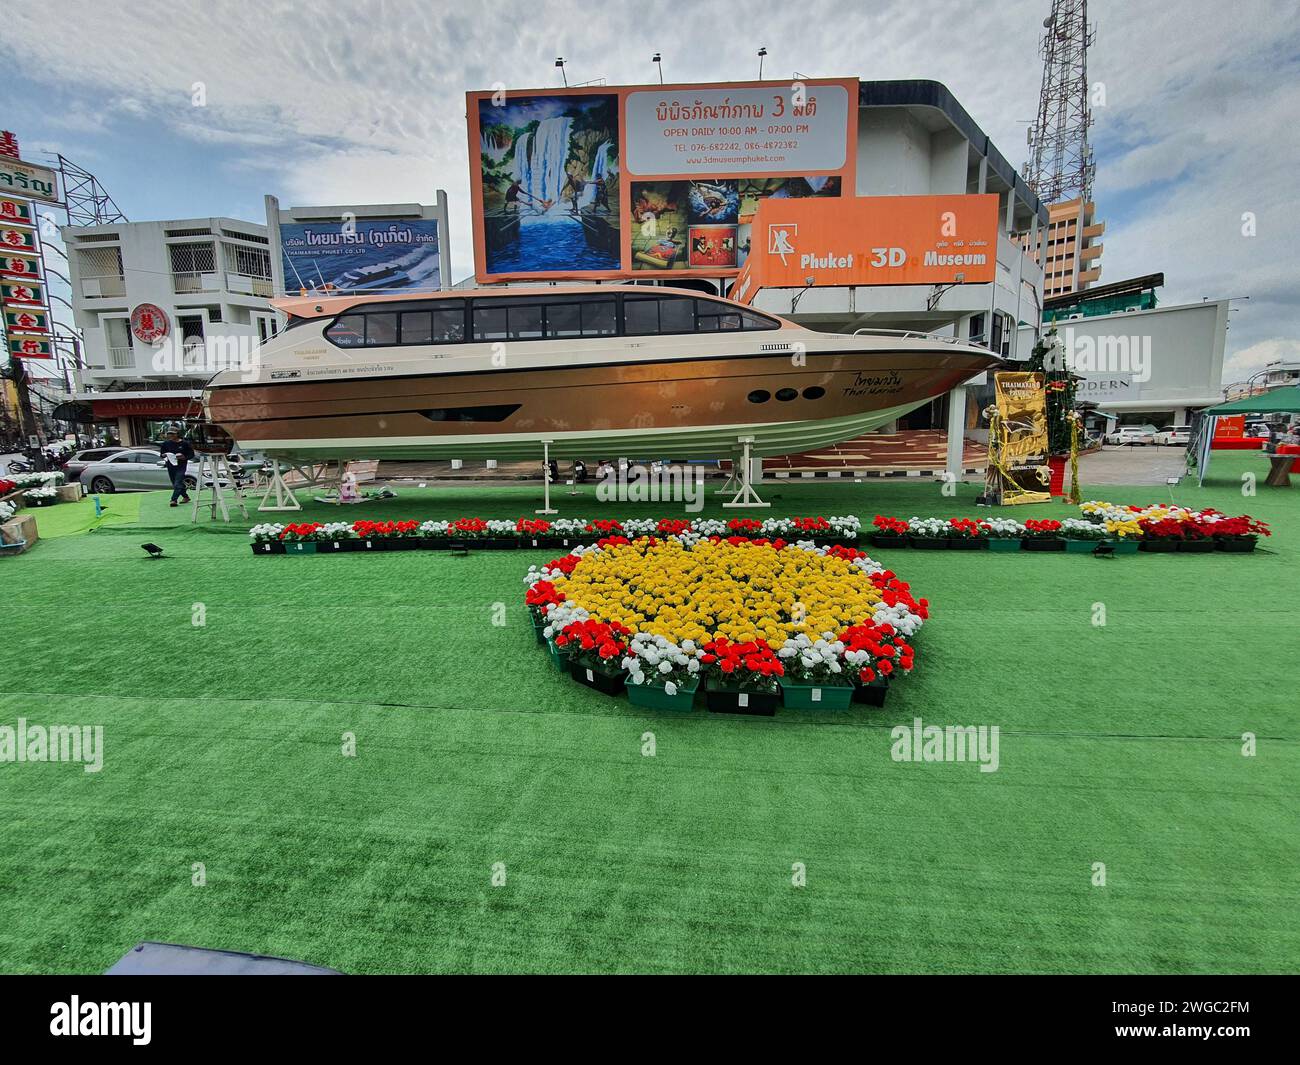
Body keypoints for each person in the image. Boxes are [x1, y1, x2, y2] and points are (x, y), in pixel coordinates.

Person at [159, 425, 195, 507]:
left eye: (173, 434)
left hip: (181, 465)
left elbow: (191, 454)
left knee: (177, 482)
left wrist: (184, 457)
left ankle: (173, 500)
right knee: (175, 483)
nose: (170, 436)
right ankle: (186, 497)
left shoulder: (185, 443)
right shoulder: (166, 444)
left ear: (177, 434)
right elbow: (161, 454)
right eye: (169, 434)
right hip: (170, 465)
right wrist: (164, 455)